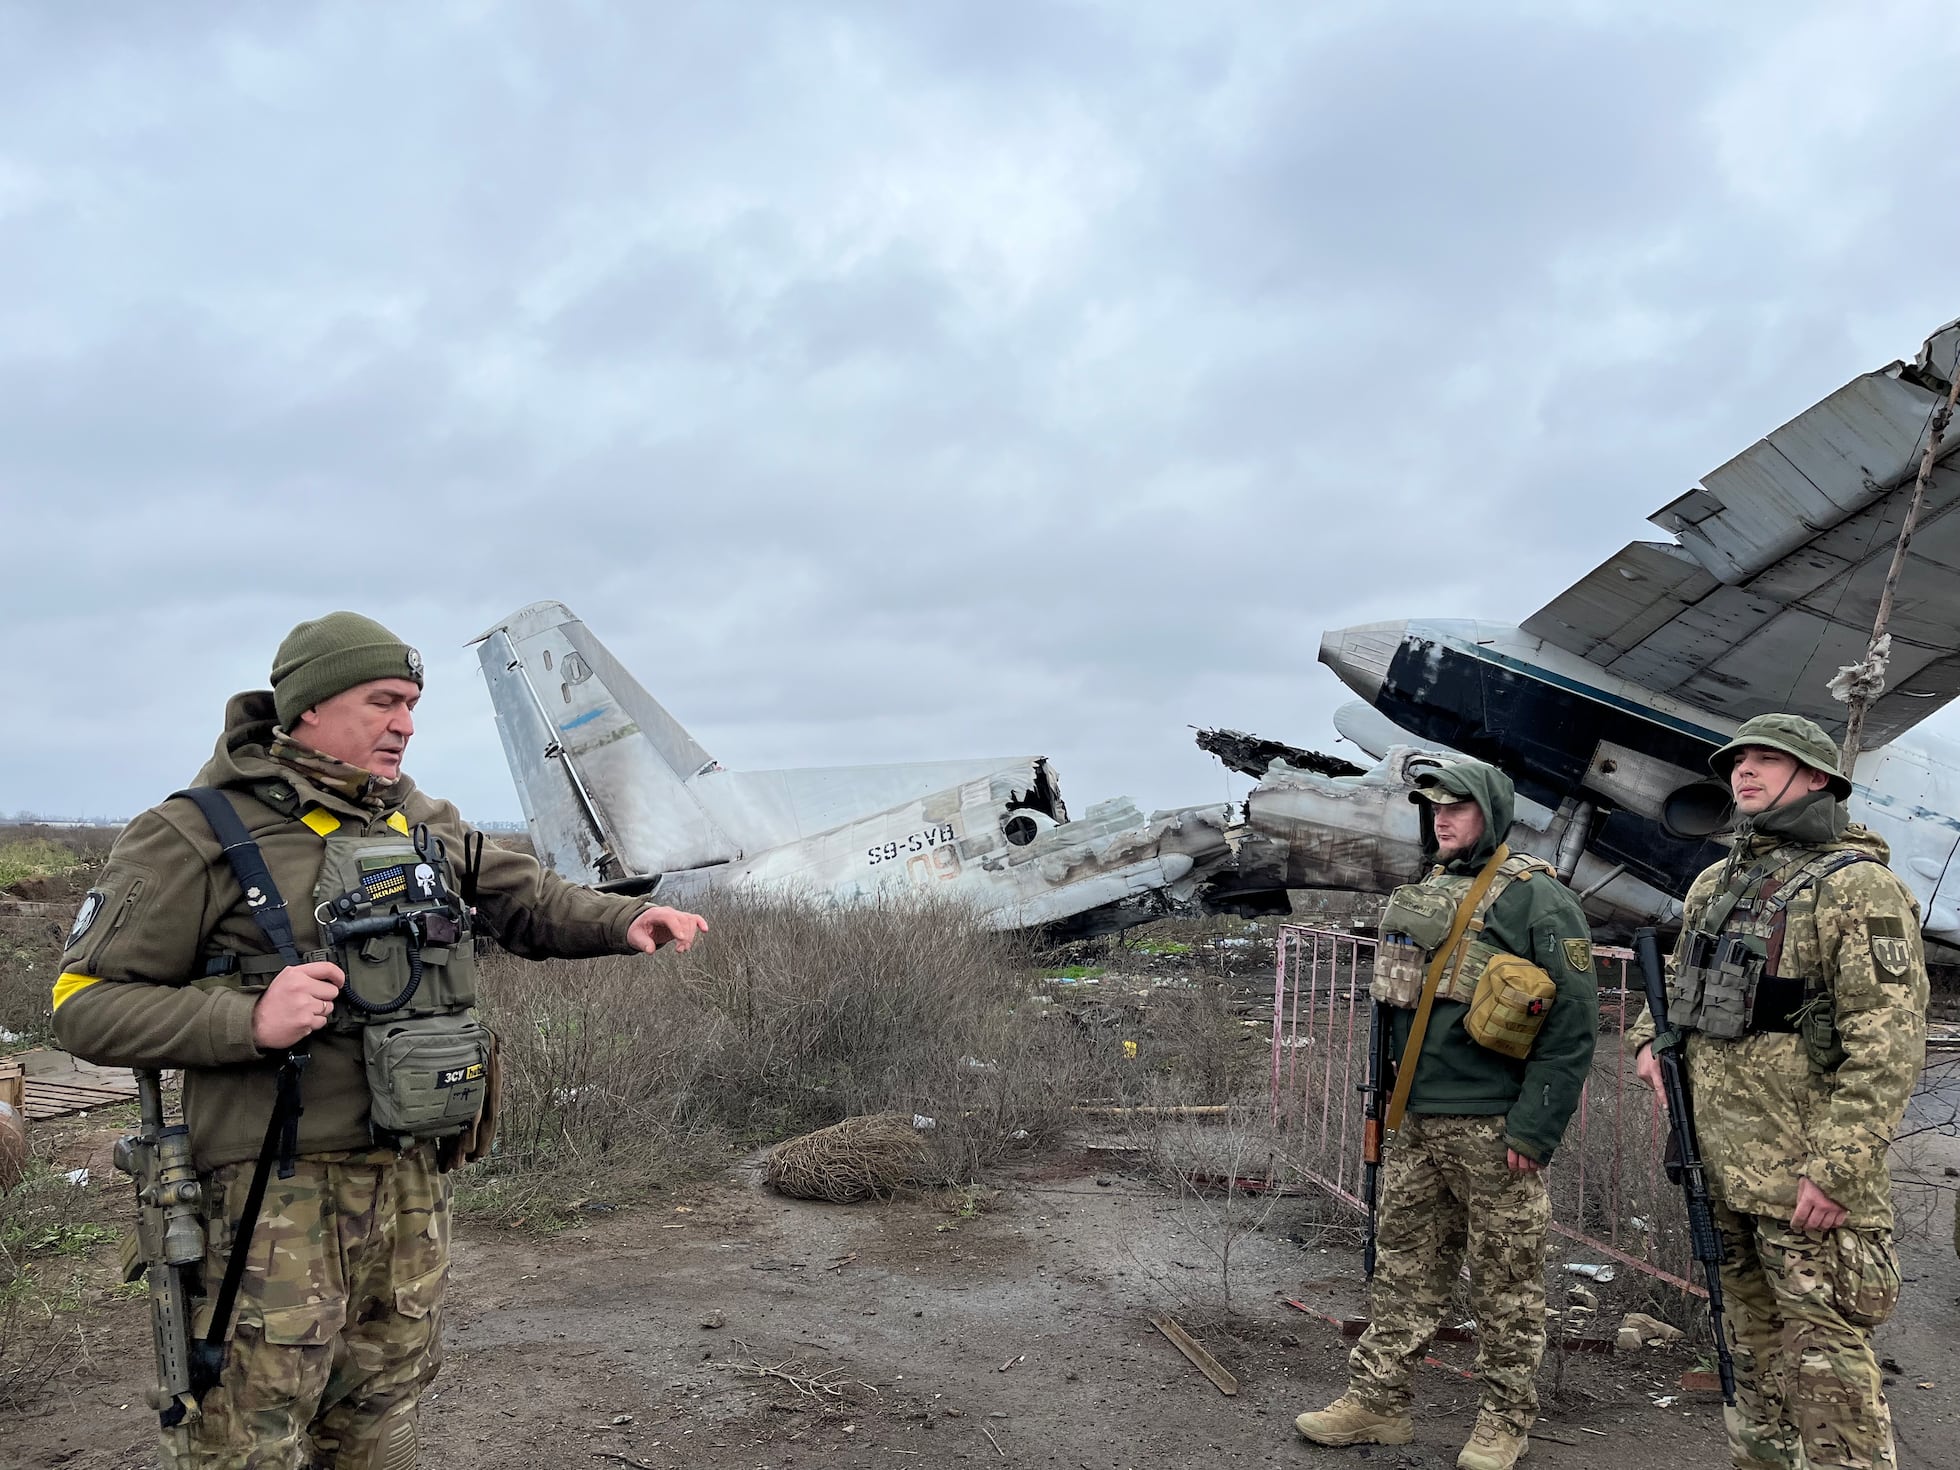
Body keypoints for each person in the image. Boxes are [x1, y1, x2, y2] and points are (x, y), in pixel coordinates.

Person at [52, 612, 708, 1470]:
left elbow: (529, 899)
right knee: (248, 1427)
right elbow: (83, 1004)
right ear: (312, 707)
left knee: (383, 1404)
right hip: (270, 1195)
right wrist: (244, 1020)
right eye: (384, 702)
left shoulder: (417, 820)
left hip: (409, 1177)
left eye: (412, 704)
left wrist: (625, 920)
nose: (405, 724)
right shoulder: (194, 833)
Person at [1630, 714, 1926, 1470]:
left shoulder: (1859, 889)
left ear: (1818, 778)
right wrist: (1646, 1042)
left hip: (1804, 1176)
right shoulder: (1716, 883)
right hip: (1720, 1164)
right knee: (1750, 1359)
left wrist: (1837, 1169)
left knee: (1828, 1374)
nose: (1745, 772)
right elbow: (1676, 983)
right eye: (1739, 761)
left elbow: (1885, 1045)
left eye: (1768, 760)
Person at [1296, 759, 1598, 1470]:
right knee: (1403, 1269)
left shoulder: (1535, 899)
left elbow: (1575, 1024)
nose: (1443, 818)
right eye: (1434, 808)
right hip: (1416, 1118)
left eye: (1457, 808)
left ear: (1489, 813)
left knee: (1507, 1281)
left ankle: (1505, 1418)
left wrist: (1535, 1127)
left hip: (1494, 1126)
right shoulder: (1431, 889)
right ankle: (1378, 1401)